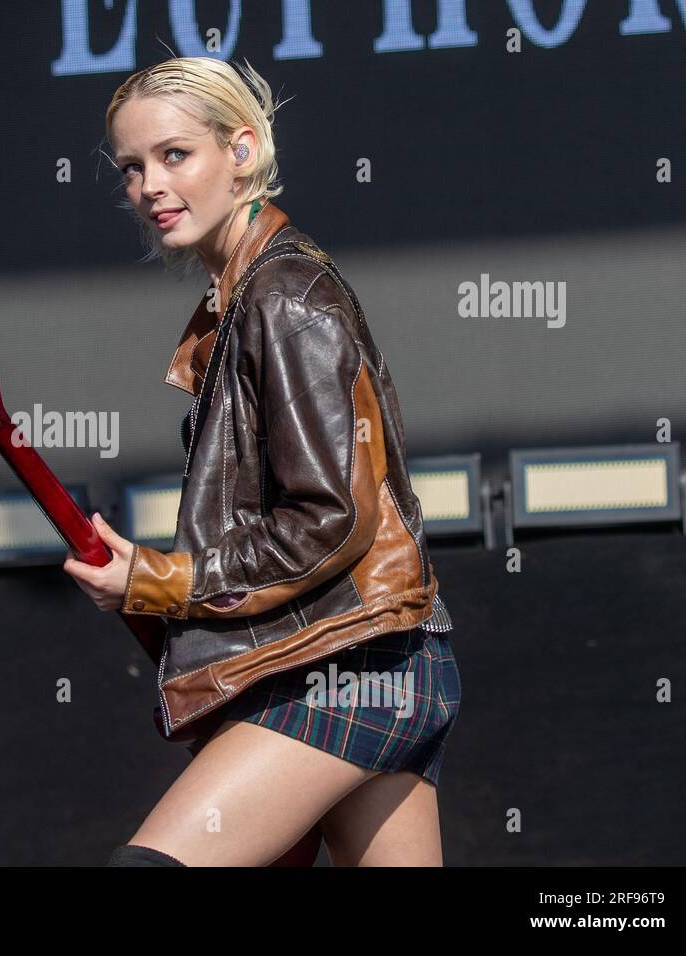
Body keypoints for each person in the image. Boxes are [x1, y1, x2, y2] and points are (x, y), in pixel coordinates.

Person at [63, 57, 461, 867]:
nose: (149, 185)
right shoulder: (249, 295)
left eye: (176, 155)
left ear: (241, 150)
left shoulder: (281, 296)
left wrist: (159, 578)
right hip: (381, 661)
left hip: (349, 667)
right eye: (133, 167)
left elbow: (330, 519)